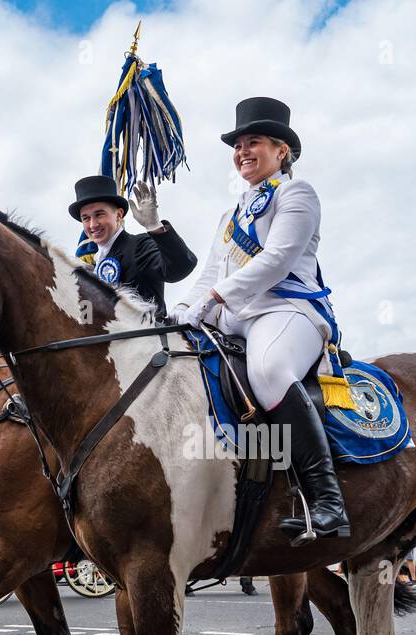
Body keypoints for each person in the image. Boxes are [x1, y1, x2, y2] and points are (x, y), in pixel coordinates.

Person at [174, 97, 347, 543]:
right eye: (239, 144)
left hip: (288, 311)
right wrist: (180, 312)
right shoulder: (231, 215)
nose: (243, 151)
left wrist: (213, 299)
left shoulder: (297, 193)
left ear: (280, 151)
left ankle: (327, 501)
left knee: (268, 370)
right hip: (235, 317)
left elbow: (276, 260)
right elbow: (209, 273)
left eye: (254, 142)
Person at [70, 175, 197, 317]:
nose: (93, 224)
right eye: (86, 218)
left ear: (118, 215)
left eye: (99, 214)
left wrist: (155, 227)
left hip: (148, 337)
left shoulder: (138, 246)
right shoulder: (89, 266)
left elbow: (180, 267)